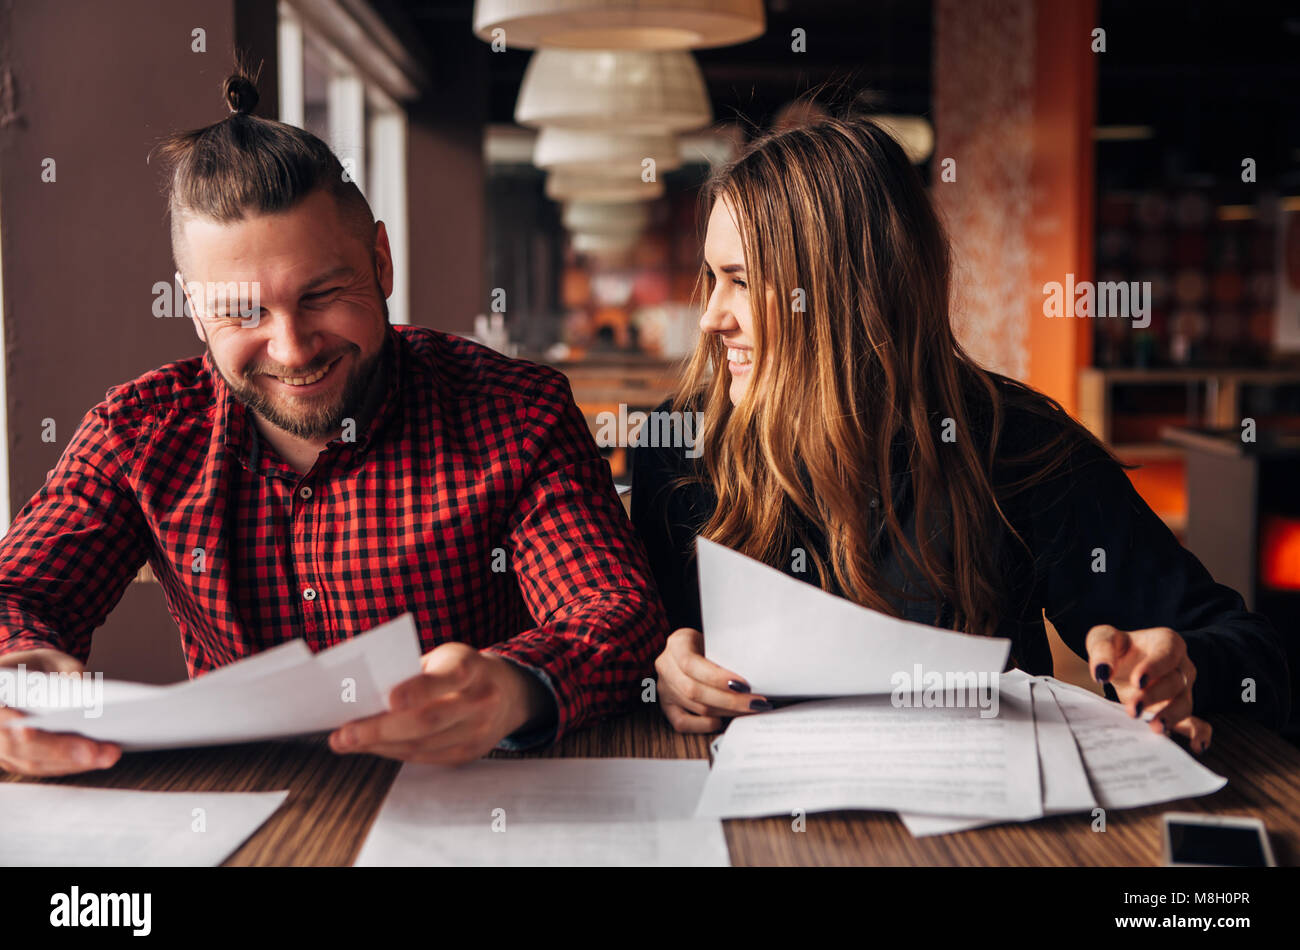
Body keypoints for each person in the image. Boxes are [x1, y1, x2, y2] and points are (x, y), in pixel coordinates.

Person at [0, 71, 667, 778]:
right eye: (241, 312)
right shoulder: (137, 435)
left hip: (476, 798)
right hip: (247, 814)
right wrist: (15, 667)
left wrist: (513, 686)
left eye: (321, 295)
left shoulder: (515, 411)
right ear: (196, 311)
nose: (291, 348)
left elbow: (613, 609)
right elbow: (19, 592)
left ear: (380, 262)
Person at [631, 114, 1290, 747]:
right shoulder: (680, 447)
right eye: (713, 280)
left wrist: (1182, 669)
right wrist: (660, 674)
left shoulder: (1019, 446)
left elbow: (1253, 649)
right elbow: (618, 655)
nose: (712, 317)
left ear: (846, 293)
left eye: (741, 283)